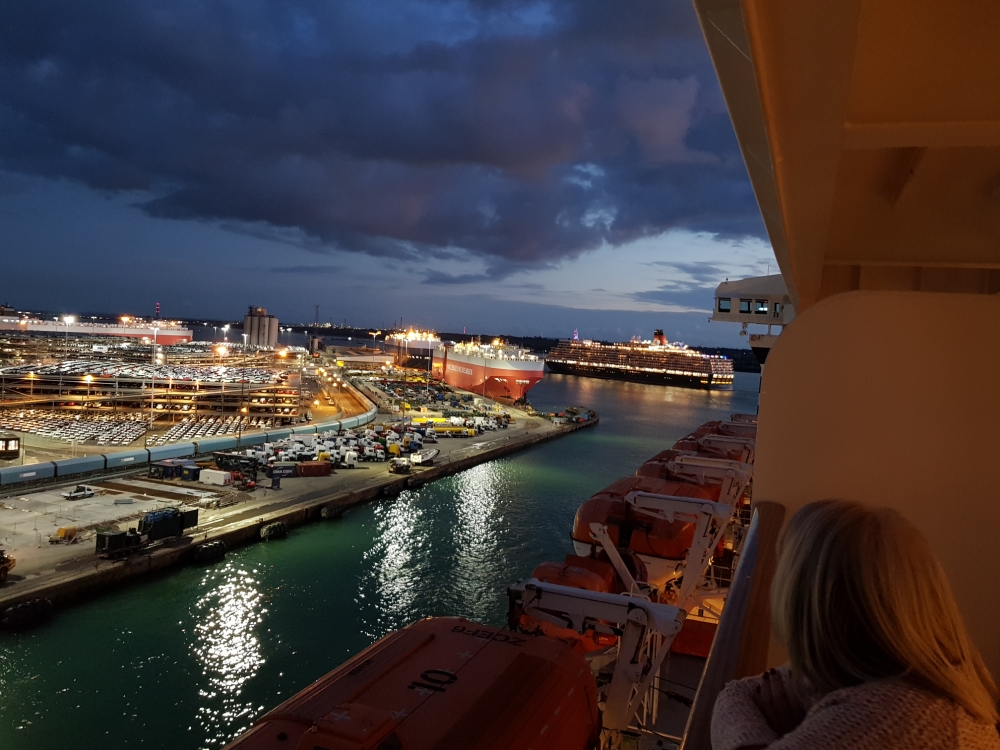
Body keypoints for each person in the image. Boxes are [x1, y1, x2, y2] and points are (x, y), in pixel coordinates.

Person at [712, 500, 1000, 750]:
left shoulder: (890, 719)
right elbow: (748, 691)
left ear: (807, 603)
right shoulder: (933, 677)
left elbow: (735, 698)